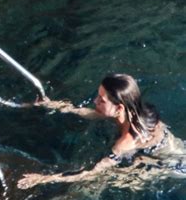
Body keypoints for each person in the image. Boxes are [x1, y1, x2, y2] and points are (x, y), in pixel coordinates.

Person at [18, 73, 186, 189]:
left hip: (174, 166)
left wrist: (44, 179)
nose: (94, 100)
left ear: (119, 108)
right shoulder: (136, 110)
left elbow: (93, 172)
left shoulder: (124, 143)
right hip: (170, 151)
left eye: (101, 99)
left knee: (108, 179)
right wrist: (52, 105)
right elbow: (92, 114)